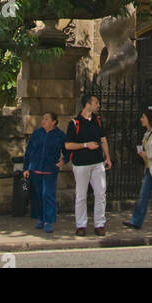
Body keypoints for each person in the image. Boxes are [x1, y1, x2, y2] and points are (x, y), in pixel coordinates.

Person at [65, 91, 112, 236]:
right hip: (81, 164)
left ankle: (99, 223)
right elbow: (68, 145)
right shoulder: (74, 123)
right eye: (96, 102)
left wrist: (108, 157)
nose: (98, 105)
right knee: (81, 195)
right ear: (87, 104)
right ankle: (81, 224)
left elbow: (103, 139)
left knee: (101, 193)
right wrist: (86, 145)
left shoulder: (98, 120)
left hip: (97, 162)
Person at [24, 111, 66, 234]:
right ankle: (40, 219)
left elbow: (68, 150)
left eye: (46, 119)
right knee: (37, 196)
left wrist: (62, 162)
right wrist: (26, 168)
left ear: (54, 122)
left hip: (50, 170)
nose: (43, 121)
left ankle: (48, 221)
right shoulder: (37, 133)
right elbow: (29, 151)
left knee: (47, 195)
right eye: (43, 118)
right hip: (35, 168)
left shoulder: (60, 135)